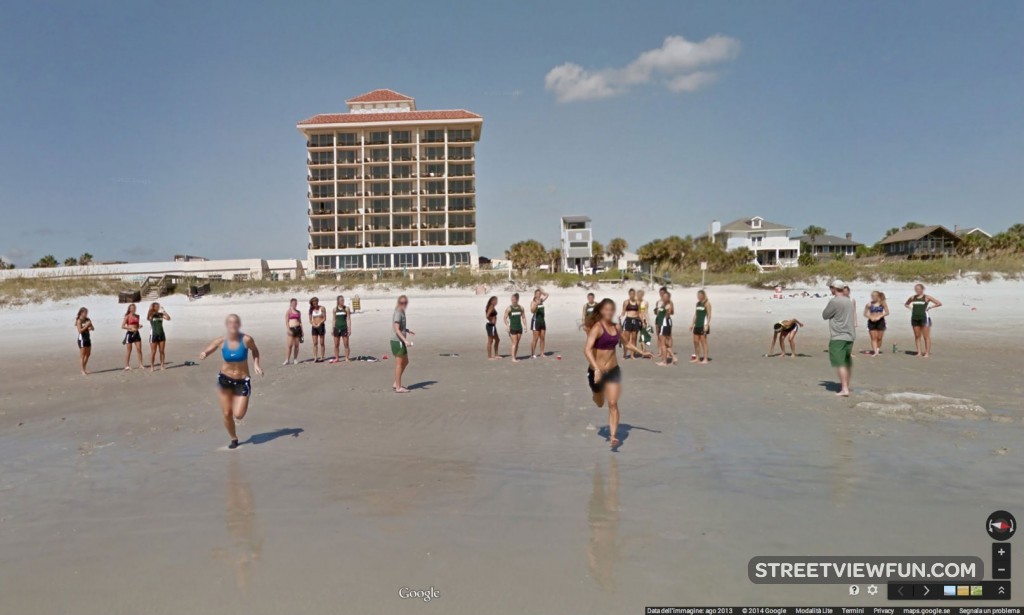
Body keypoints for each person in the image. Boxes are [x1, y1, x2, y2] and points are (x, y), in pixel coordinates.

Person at [584, 298, 653, 450]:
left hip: (613, 370)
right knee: (599, 402)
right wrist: (595, 368)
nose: (609, 312)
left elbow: (626, 343)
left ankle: (613, 437)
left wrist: (642, 352)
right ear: (601, 311)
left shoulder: (616, 327)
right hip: (597, 372)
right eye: (606, 309)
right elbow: (587, 350)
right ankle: (596, 393)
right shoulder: (597, 327)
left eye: (611, 309)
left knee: (613, 403)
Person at [198, 314, 264, 449]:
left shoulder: (246, 339)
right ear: (227, 326)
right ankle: (234, 438)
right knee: (227, 413)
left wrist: (256, 364)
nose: (233, 325)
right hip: (225, 380)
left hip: (242, 381)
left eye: (235, 323)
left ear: (238, 325)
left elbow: (255, 350)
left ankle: (238, 400)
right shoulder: (221, 341)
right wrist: (205, 353)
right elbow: (210, 348)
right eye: (230, 323)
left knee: (238, 415)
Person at [822, 280, 856, 397]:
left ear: (834, 288)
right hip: (850, 335)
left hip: (838, 336)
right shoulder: (849, 301)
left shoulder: (834, 301)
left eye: (831, 288)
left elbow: (825, 315)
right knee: (847, 362)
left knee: (840, 363)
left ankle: (844, 388)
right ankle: (846, 385)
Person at [904, 284, 942, 358]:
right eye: (916, 289)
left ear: (922, 289)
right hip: (914, 317)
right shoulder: (912, 297)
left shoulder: (927, 297)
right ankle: (919, 352)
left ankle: (927, 353)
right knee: (917, 336)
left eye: (919, 289)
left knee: (926, 336)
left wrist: (930, 307)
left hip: (924, 318)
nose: (917, 290)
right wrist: (911, 308)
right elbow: (906, 304)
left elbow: (939, 303)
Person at [391, 295, 414, 393]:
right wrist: (405, 340)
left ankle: (396, 382)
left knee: (406, 361)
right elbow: (396, 329)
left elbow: (401, 327)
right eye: (401, 303)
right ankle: (398, 387)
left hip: (401, 341)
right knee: (399, 364)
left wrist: (407, 330)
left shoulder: (402, 312)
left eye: (405, 303)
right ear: (398, 303)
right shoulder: (398, 313)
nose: (403, 304)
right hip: (397, 341)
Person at [864, 291, 889, 356]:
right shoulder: (869, 304)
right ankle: (875, 352)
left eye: (875, 296)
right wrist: (870, 317)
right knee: (873, 338)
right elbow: (865, 313)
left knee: (879, 338)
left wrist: (880, 316)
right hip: (871, 322)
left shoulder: (882, 303)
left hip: (880, 321)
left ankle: (877, 349)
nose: (873, 297)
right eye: (872, 296)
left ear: (878, 296)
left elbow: (887, 312)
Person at [147, 302, 171, 371]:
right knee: (153, 351)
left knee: (162, 351)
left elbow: (168, 318)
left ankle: (162, 365)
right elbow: (150, 317)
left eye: (158, 306)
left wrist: (164, 311)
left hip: (161, 334)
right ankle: (152, 366)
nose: (158, 307)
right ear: (153, 307)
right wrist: (152, 309)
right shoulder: (151, 314)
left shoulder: (160, 314)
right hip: (154, 334)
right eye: (156, 306)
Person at [655, 289, 677, 366]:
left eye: (665, 297)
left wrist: (668, 312)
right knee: (663, 343)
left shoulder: (668, 305)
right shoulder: (662, 304)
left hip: (664, 325)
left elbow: (668, 314)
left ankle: (664, 361)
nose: (663, 298)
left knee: (663, 343)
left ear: (668, 298)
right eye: (663, 296)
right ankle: (673, 357)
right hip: (662, 324)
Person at [690, 290, 711, 364]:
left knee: (703, 342)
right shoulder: (697, 304)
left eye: (700, 295)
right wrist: (692, 324)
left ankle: (705, 358)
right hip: (697, 325)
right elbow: (695, 314)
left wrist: (707, 325)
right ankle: (697, 357)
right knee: (695, 341)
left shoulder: (707, 304)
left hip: (703, 325)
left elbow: (709, 315)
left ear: (703, 295)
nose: (698, 297)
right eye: (697, 295)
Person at [122, 303, 145, 370]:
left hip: (136, 333)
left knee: (139, 349)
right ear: (129, 309)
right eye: (131, 308)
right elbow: (122, 326)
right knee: (129, 350)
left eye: (134, 308)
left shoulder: (138, 316)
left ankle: (141, 364)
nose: (133, 309)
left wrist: (139, 326)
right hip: (129, 334)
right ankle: (127, 365)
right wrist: (130, 328)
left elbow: (137, 325)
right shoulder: (127, 316)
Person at [330, 295, 353, 363]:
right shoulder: (334, 309)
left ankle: (347, 358)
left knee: (346, 344)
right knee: (336, 345)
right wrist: (332, 328)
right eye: (341, 300)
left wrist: (349, 329)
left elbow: (348, 319)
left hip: (344, 328)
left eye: (343, 300)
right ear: (338, 301)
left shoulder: (346, 309)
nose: (343, 301)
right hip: (337, 328)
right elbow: (334, 319)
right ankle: (337, 358)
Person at [504, 293, 526, 362]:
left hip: (519, 328)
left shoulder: (521, 308)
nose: (512, 301)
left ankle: (514, 357)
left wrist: (525, 326)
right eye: (512, 299)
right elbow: (505, 317)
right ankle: (513, 358)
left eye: (514, 299)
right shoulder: (509, 308)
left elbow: (523, 317)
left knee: (517, 343)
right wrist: (507, 325)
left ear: (517, 299)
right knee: (515, 342)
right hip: (512, 328)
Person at [620, 289, 642, 359]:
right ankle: (625, 355)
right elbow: (623, 312)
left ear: (634, 294)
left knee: (634, 339)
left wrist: (642, 321)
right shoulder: (626, 302)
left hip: (635, 320)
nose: (632, 295)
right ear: (629, 294)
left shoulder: (638, 302)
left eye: (633, 294)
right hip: (628, 320)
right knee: (626, 339)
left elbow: (639, 313)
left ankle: (632, 355)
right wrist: (620, 317)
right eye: (631, 294)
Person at [530, 288, 549, 358]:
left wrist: (541, 291)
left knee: (542, 337)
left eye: (539, 294)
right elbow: (532, 311)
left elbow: (547, 295)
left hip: (542, 321)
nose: (538, 295)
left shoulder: (541, 300)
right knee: (535, 338)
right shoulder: (533, 302)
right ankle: (532, 354)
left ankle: (542, 353)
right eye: (537, 294)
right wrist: (536, 305)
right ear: (535, 295)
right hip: (536, 321)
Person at [75, 307, 94, 375]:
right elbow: (80, 331)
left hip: (87, 338)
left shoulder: (87, 319)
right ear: (81, 313)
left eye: (87, 313)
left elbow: (93, 328)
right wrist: (86, 326)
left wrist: (90, 327)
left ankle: (84, 368)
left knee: (88, 354)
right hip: (82, 339)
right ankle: (82, 370)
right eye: (85, 313)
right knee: (82, 355)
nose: (86, 314)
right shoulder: (79, 320)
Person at [283, 298, 302, 365]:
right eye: (293, 303)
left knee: (296, 345)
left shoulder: (298, 312)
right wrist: (288, 329)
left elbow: (300, 322)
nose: (294, 304)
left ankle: (295, 359)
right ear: (291, 303)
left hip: (298, 328)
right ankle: (287, 359)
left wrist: (302, 330)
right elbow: (286, 321)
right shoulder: (288, 311)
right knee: (289, 345)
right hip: (291, 328)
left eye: (295, 303)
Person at [309, 297, 327, 363]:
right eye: (314, 302)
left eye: (316, 301)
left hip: (321, 326)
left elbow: (324, 318)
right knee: (315, 343)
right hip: (314, 327)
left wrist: (320, 323)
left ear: (318, 301)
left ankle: (322, 357)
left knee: (322, 343)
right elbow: (310, 320)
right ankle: (315, 357)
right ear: (312, 303)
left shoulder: (322, 308)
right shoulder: (311, 310)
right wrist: (313, 324)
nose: (315, 303)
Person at [485, 295, 501, 360]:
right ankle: (489, 356)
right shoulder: (491, 307)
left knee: (497, 340)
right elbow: (487, 315)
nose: (497, 302)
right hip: (490, 325)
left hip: (492, 326)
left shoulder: (492, 306)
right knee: (490, 341)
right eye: (496, 301)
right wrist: (491, 320)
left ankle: (496, 355)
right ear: (492, 301)